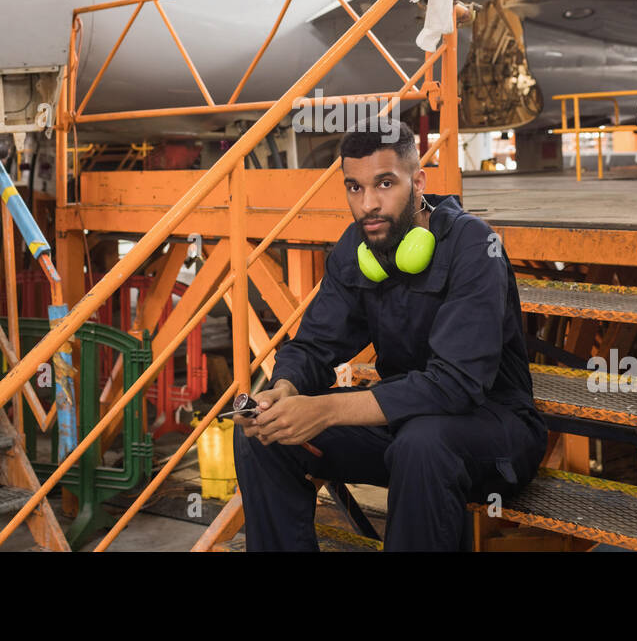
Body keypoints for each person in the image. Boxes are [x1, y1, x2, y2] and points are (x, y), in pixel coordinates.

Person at [233, 121, 547, 550]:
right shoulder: (357, 248)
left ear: (417, 181)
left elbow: (456, 385)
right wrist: (284, 390)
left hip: (493, 432)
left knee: (423, 444)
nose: (368, 205)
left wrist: (326, 410)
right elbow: (315, 344)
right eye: (354, 188)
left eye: (384, 184)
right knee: (263, 437)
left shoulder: (474, 245)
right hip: (401, 426)